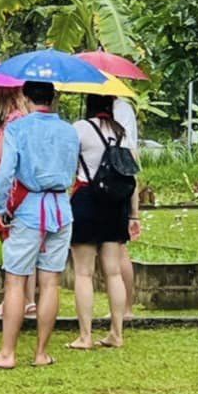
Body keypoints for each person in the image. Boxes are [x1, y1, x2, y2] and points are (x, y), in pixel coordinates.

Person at [0, 80, 78, 370]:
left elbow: (6, 173)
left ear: (25, 96)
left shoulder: (18, 129)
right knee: (50, 282)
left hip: (30, 209)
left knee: (16, 280)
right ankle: (41, 352)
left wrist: (1, 209)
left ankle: (8, 353)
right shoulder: (69, 131)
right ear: (54, 98)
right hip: (61, 208)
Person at [67, 97, 137, 350]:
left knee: (83, 272)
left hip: (86, 199)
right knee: (113, 271)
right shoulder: (121, 132)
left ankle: (85, 335)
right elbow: (131, 176)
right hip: (116, 203)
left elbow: (68, 167)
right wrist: (133, 214)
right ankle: (116, 333)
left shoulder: (80, 129)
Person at [0, 85, 34, 320]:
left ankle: (12, 300)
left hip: (9, 190)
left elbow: (0, 154)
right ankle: (29, 300)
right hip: (21, 189)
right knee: (24, 246)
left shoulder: (13, 121)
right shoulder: (25, 119)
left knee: (11, 245)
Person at [112, 95, 143, 318]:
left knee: (119, 249)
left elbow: (129, 150)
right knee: (117, 249)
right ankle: (124, 307)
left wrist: (135, 212)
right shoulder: (123, 106)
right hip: (119, 177)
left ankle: (126, 308)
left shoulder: (118, 107)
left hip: (113, 176)